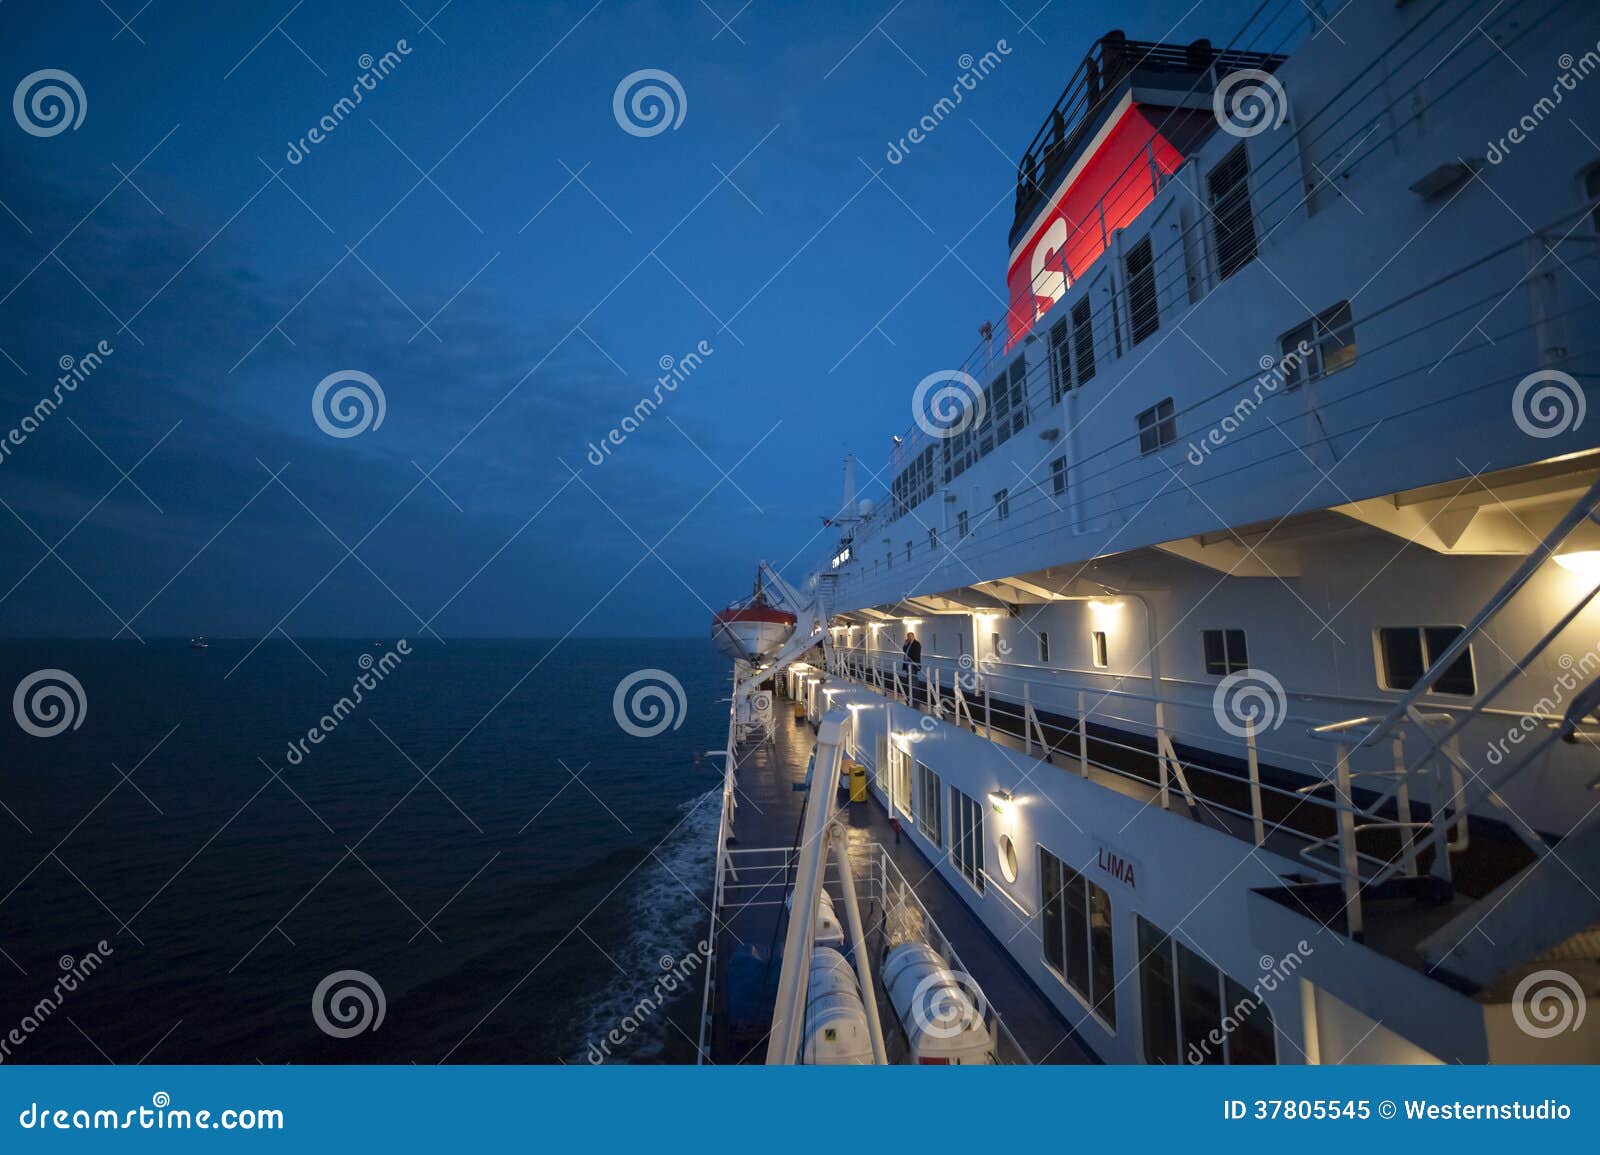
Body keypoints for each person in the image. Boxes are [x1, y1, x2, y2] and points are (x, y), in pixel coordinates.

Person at [902, 630, 923, 705]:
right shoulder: (908, 644)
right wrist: (905, 645)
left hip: (913, 665)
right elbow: (904, 651)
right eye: (908, 637)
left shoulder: (916, 644)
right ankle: (911, 694)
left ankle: (915, 696)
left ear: (913, 636)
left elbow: (916, 654)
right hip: (908, 665)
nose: (909, 638)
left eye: (911, 636)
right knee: (909, 679)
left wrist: (910, 661)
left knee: (913, 680)